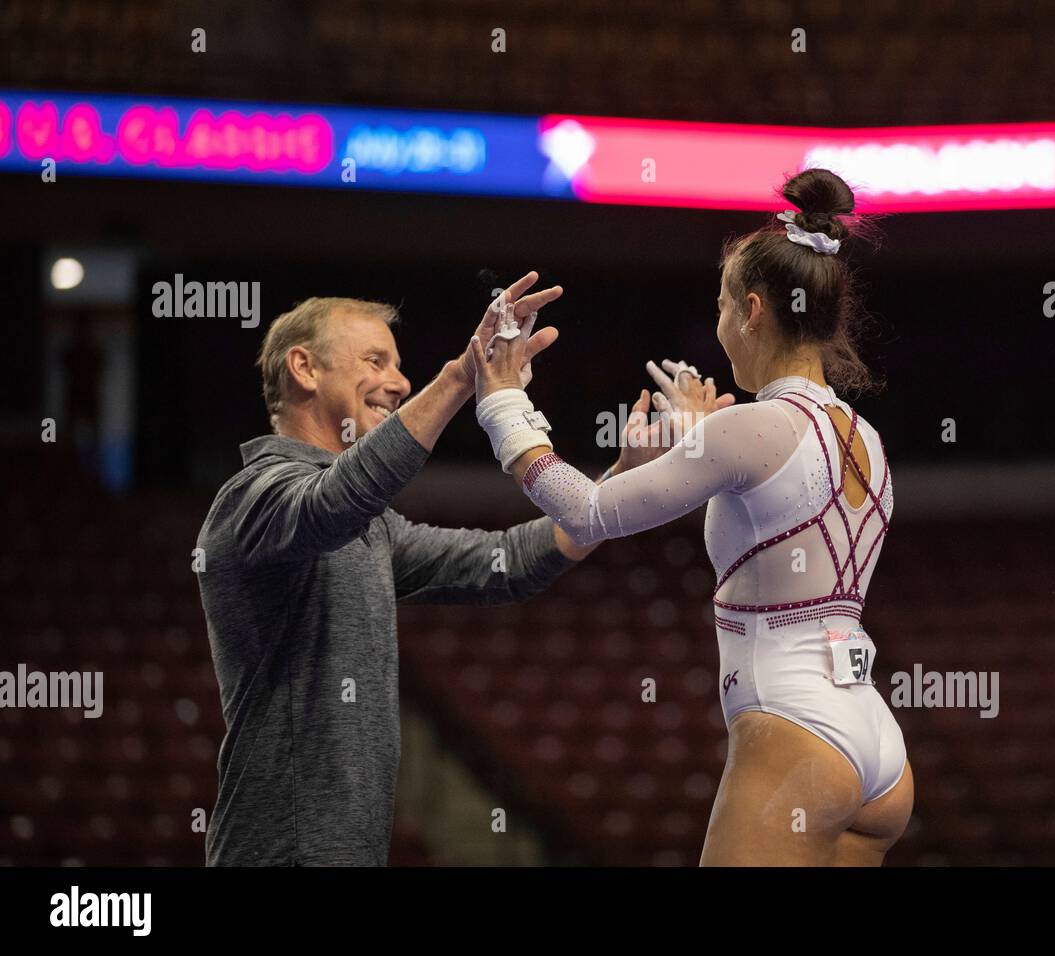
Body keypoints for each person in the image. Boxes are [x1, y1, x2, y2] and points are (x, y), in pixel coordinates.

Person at [467, 170, 913, 866]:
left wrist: (501, 404)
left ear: (754, 311)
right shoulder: (866, 439)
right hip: (875, 748)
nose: (719, 325)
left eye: (721, 306)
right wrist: (703, 446)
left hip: (797, 732)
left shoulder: (754, 428)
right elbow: (776, 520)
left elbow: (585, 514)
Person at [197, 273, 600, 865]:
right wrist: (462, 376)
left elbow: (509, 564)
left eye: (398, 364)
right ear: (304, 368)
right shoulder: (253, 497)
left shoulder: (373, 527)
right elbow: (338, 499)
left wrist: (617, 489)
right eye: (375, 360)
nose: (399, 381)